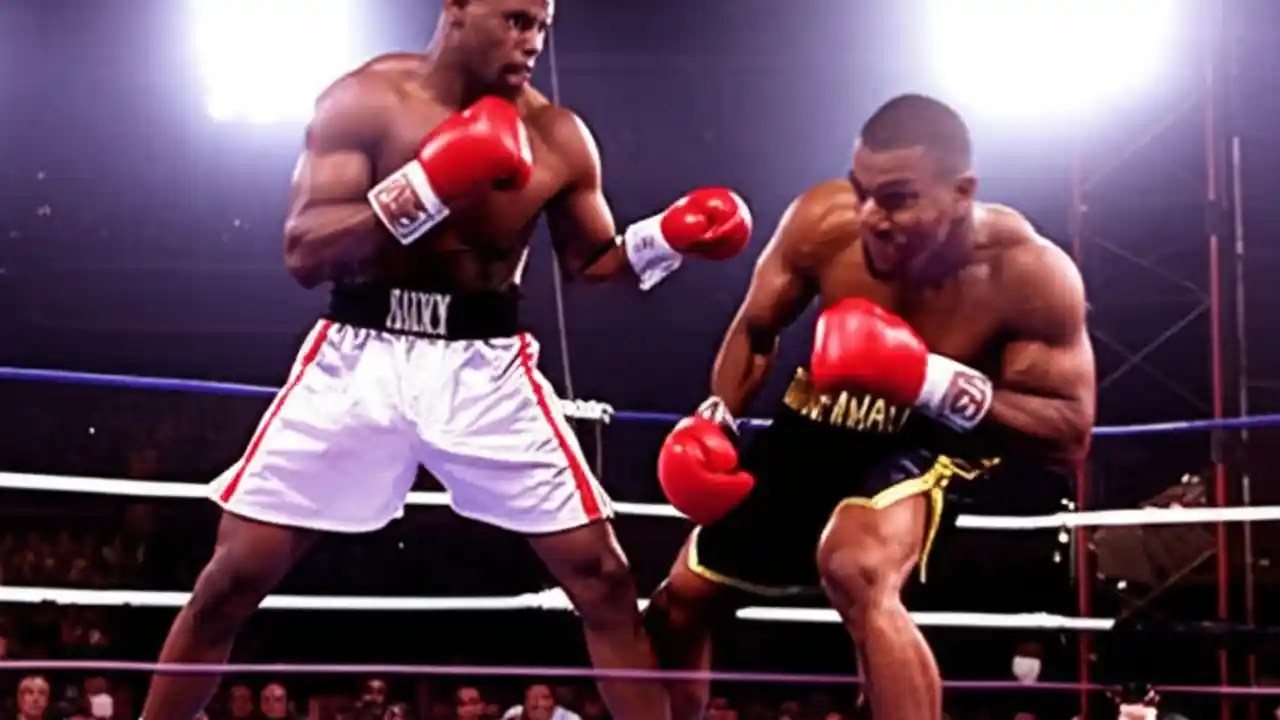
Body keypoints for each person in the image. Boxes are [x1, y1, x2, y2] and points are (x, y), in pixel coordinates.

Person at [140, 1, 751, 719]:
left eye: (542, 26)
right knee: (230, 580)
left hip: (484, 369)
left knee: (605, 579)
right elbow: (305, 251)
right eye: (515, 19)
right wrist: (430, 186)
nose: (531, 41)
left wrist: (671, 237)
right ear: (456, 8)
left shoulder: (557, 136)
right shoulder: (364, 101)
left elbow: (593, 260)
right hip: (358, 359)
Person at [644, 93, 1095, 720]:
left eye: (899, 198)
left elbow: (1069, 432)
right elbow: (756, 330)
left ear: (962, 193)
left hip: (928, 440)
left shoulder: (1026, 275)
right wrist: (715, 418)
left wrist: (925, 379)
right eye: (864, 191)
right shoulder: (823, 221)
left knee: (854, 567)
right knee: (677, 606)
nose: (873, 217)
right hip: (816, 422)